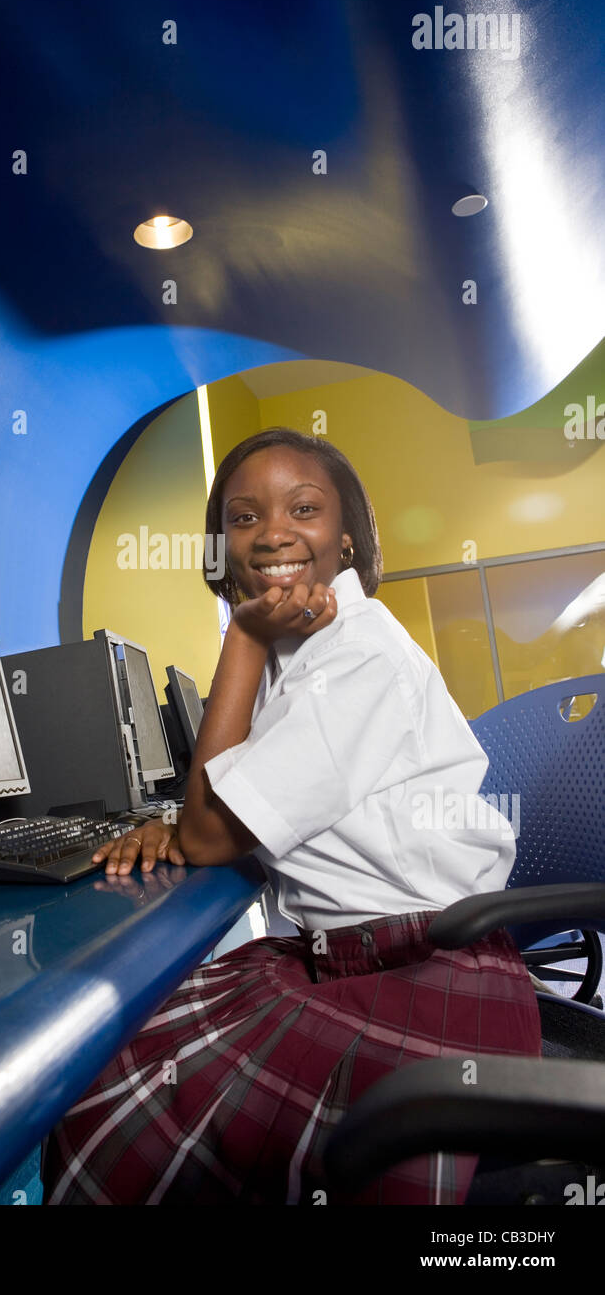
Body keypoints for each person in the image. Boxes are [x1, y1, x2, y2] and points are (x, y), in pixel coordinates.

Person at [40, 426, 542, 1205]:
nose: (272, 532)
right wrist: (181, 824)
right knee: (131, 1039)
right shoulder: (304, 655)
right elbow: (225, 810)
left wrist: (240, 633)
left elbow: (211, 837)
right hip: (365, 958)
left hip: (425, 979)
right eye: (243, 518)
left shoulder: (358, 654)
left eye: (302, 508)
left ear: (346, 542)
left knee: (105, 1118)